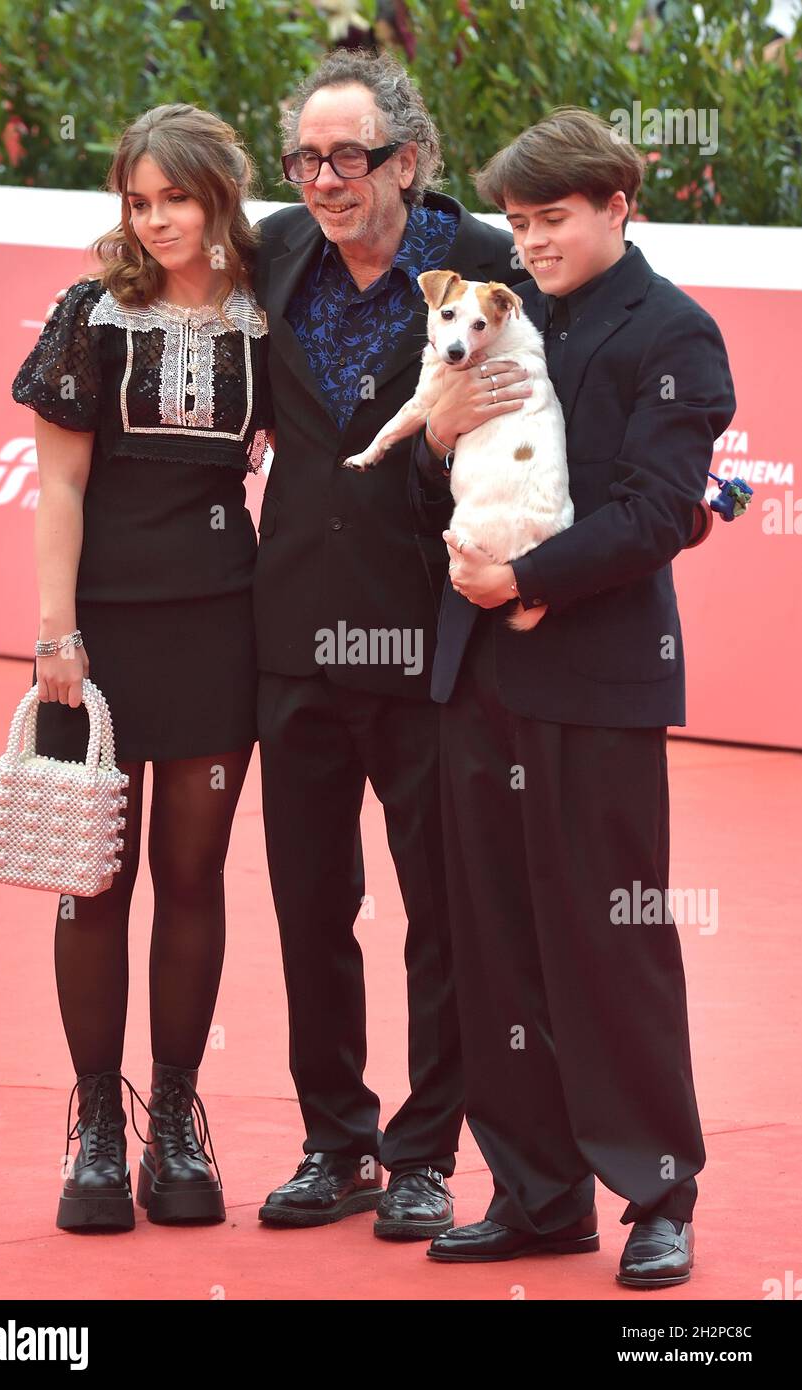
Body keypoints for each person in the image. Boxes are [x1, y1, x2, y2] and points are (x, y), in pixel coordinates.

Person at [410, 107, 736, 1286]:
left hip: (595, 680)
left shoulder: (678, 334)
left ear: (619, 204)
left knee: (613, 941)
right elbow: (435, 456)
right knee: (493, 942)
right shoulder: (497, 311)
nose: (532, 242)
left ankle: (656, 1193)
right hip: (476, 667)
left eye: (553, 220)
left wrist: (527, 580)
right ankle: (537, 1191)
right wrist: (437, 440)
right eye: (519, 222)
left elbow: (659, 509)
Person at [250, 49, 532, 1239]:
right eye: (306, 158)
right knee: (310, 903)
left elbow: (536, 436)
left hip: (429, 638)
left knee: (442, 909)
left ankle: (424, 1156)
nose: (323, 179)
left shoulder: (492, 275)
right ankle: (337, 1144)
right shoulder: (271, 252)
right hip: (290, 633)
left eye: (348, 157)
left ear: (406, 161)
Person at [12, 103, 272, 1231]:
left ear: (219, 197)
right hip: (101, 639)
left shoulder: (272, 312)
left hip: (225, 624)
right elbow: (60, 487)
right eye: (139, 199)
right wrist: (55, 633)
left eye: (176, 197)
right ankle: (96, 1136)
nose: (157, 219)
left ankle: (174, 1121)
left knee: (194, 877)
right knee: (92, 879)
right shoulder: (92, 315)